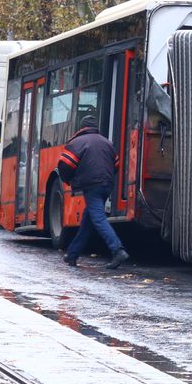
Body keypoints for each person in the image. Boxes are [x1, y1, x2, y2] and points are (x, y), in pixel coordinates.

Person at [59, 115, 129, 269]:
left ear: (81, 127)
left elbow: (64, 166)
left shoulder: (77, 142)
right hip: (107, 184)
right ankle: (72, 254)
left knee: (98, 218)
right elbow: (116, 165)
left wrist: (69, 180)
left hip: (92, 186)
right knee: (88, 221)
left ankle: (117, 250)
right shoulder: (107, 142)